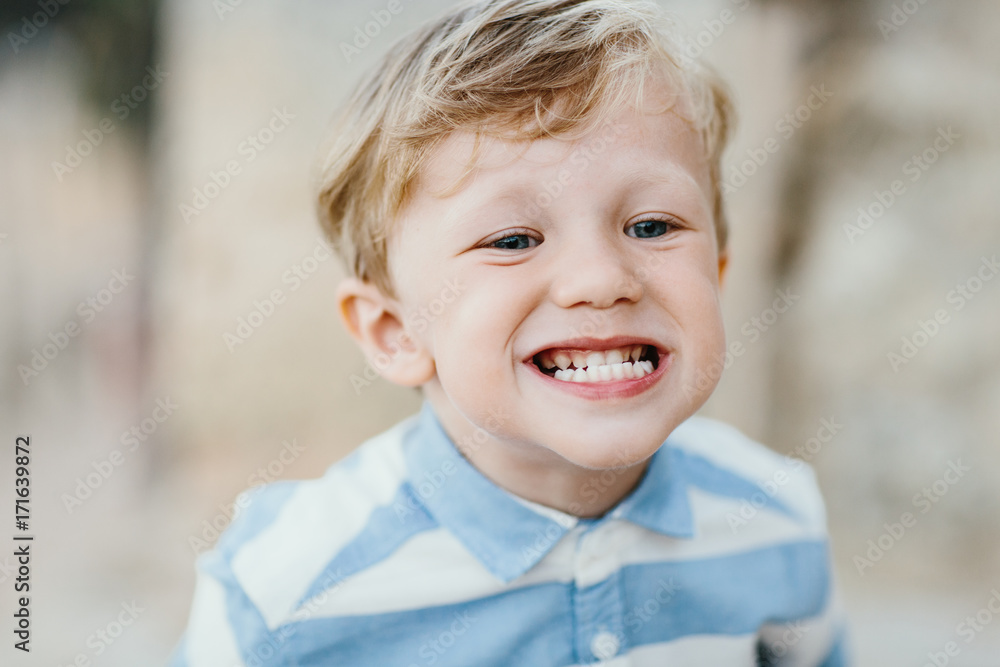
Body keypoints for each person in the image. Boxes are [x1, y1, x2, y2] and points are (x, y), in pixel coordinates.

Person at [171, 0, 849, 664]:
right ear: (395, 331)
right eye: (514, 238)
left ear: (718, 277)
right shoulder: (286, 590)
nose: (600, 278)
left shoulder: (775, 522)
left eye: (651, 226)